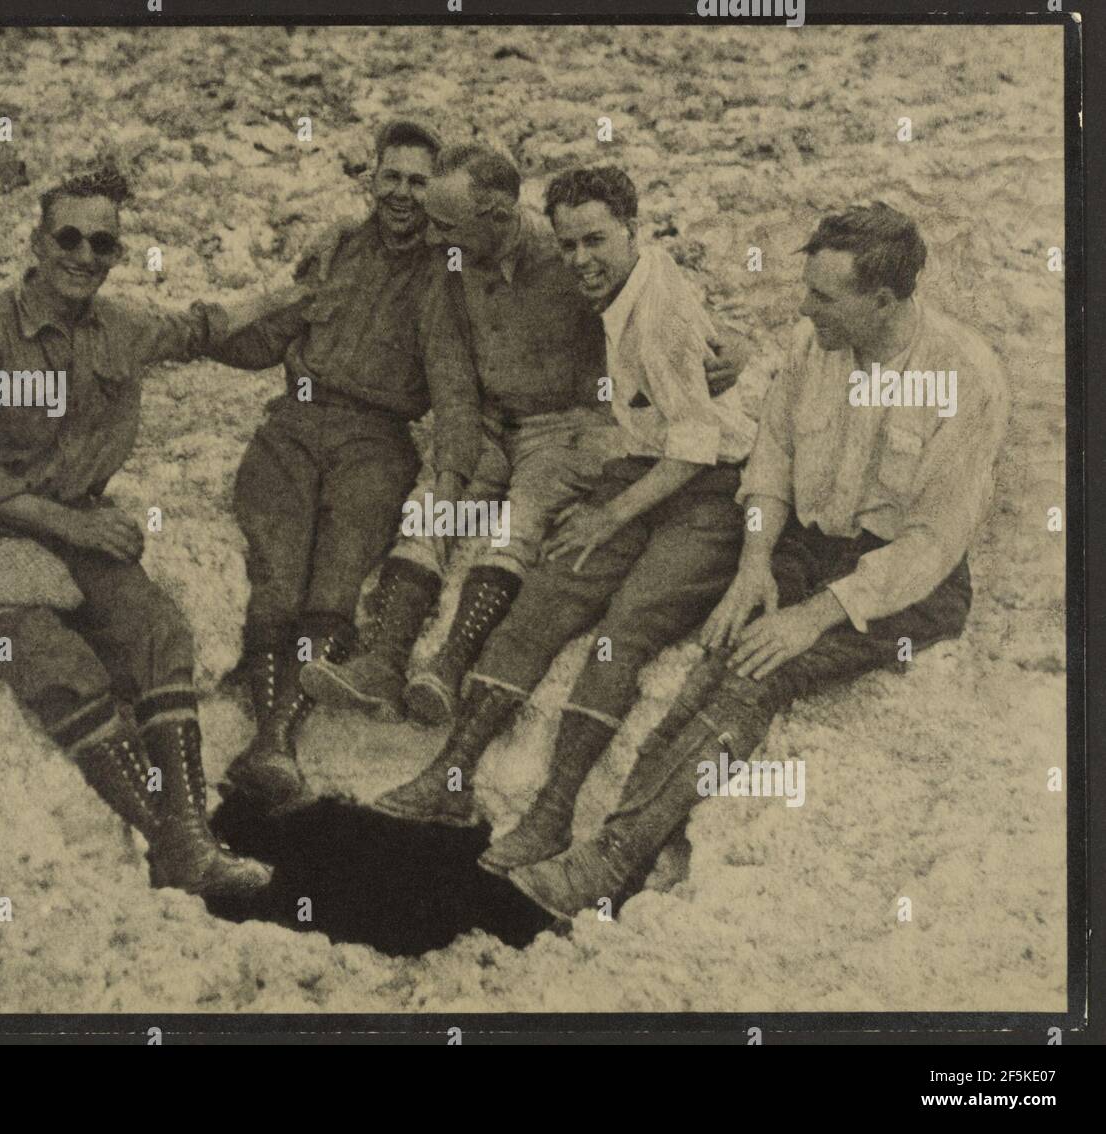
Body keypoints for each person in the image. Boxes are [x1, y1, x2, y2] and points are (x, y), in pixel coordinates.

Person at [507, 201, 1010, 919]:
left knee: (754, 676)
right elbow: (771, 459)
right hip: (808, 544)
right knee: (713, 659)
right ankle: (611, 842)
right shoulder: (816, 347)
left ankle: (611, 861)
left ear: (885, 300)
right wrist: (753, 563)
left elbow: (933, 543)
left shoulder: (967, 377)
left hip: (899, 581)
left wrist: (813, 617)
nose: (805, 310)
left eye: (822, 297)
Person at [368, 166, 758, 857]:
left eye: (596, 240)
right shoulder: (611, 284)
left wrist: (611, 517)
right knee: (547, 593)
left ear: (633, 229)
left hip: (713, 489)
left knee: (625, 625)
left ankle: (552, 815)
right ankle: (450, 776)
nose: (581, 259)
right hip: (645, 466)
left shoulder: (657, 306)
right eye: (570, 243)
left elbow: (697, 444)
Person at [0, 162, 271, 900]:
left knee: (158, 631)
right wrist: (72, 524)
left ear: (116, 253)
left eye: (102, 245)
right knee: (59, 661)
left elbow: (205, 329)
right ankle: (175, 842)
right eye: (68, 238)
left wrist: (302, 291)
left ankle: (190, 834)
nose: (84, 256)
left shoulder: (122, 325)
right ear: (37, 244)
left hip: (75, 533)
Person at [302, 146, 744, 728]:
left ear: (499, 215)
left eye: (447, 226)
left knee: (523, 519)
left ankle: (450, 668)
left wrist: (731, 346)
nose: (433, 237)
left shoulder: (570, 253)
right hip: (486, 423)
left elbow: (664, 308)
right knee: (429, 512)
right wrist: (452, 475)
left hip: (572, 426)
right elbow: (453, 378)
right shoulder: (454, 260)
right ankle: (382, 663)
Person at [206, 120, 482, 812]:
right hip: (293, 422)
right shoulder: (335, 250)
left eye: (419, 182)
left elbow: (451, 386)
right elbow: (270, 334)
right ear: (372, 180)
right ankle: (272, 743)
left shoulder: (446, 272)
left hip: (375, 438)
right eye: (391, 177)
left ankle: (277, 739)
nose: (402, 195)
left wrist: (452, 477)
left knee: (339, 570)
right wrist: (190, 334)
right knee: (276, 564)